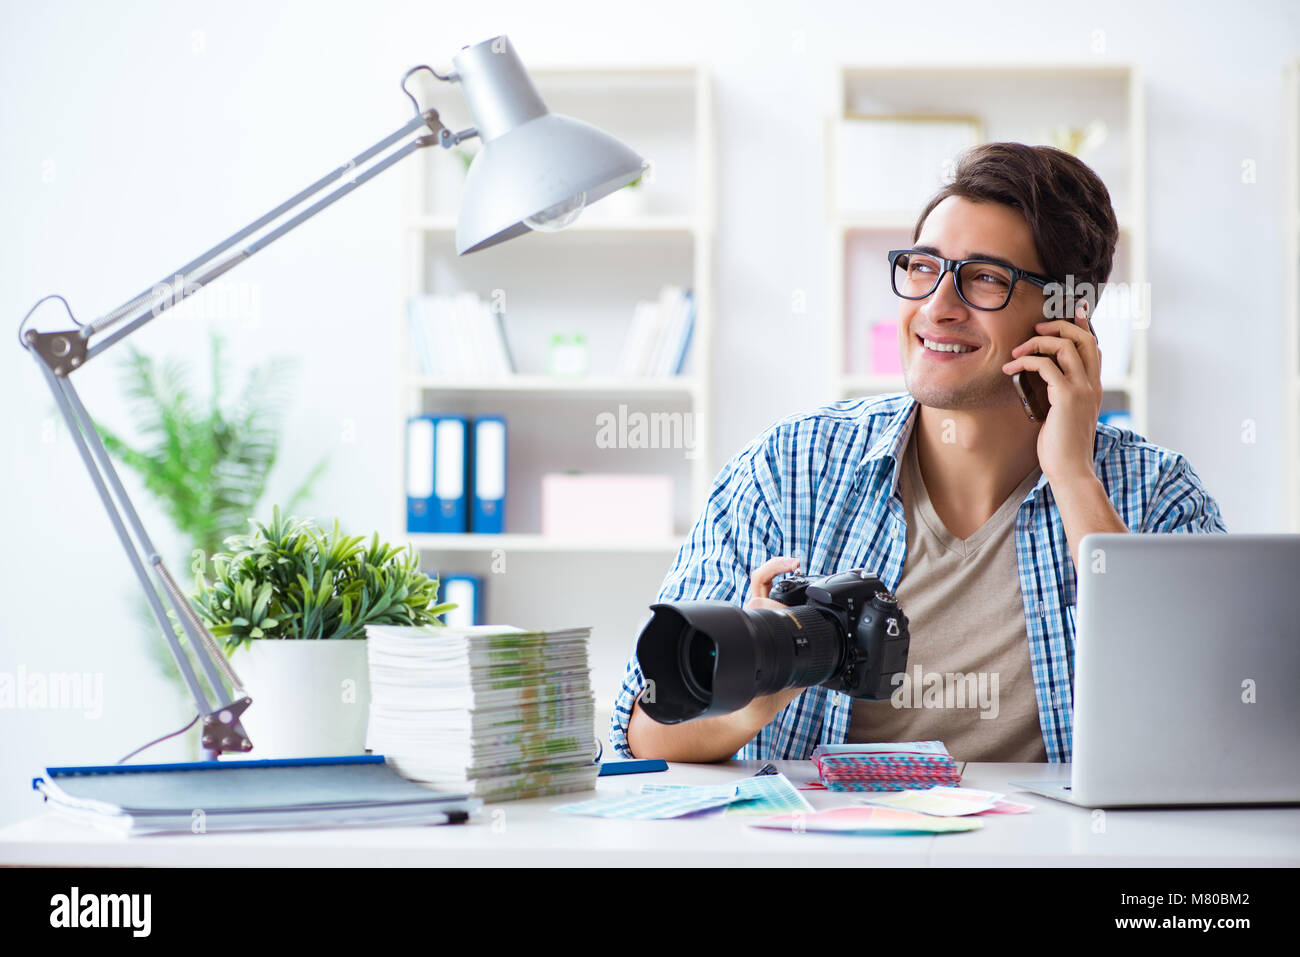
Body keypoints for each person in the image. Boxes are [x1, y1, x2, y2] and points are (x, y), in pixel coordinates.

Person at [611, 141, 1227, 764]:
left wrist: (1072, 476)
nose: (937, 307)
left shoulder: (1157, 494)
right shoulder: (789, 467)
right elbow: (641, 737)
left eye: (986, 278)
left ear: (1068, 315)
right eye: (923, 267)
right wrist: (752, 697)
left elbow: (1211, 720)